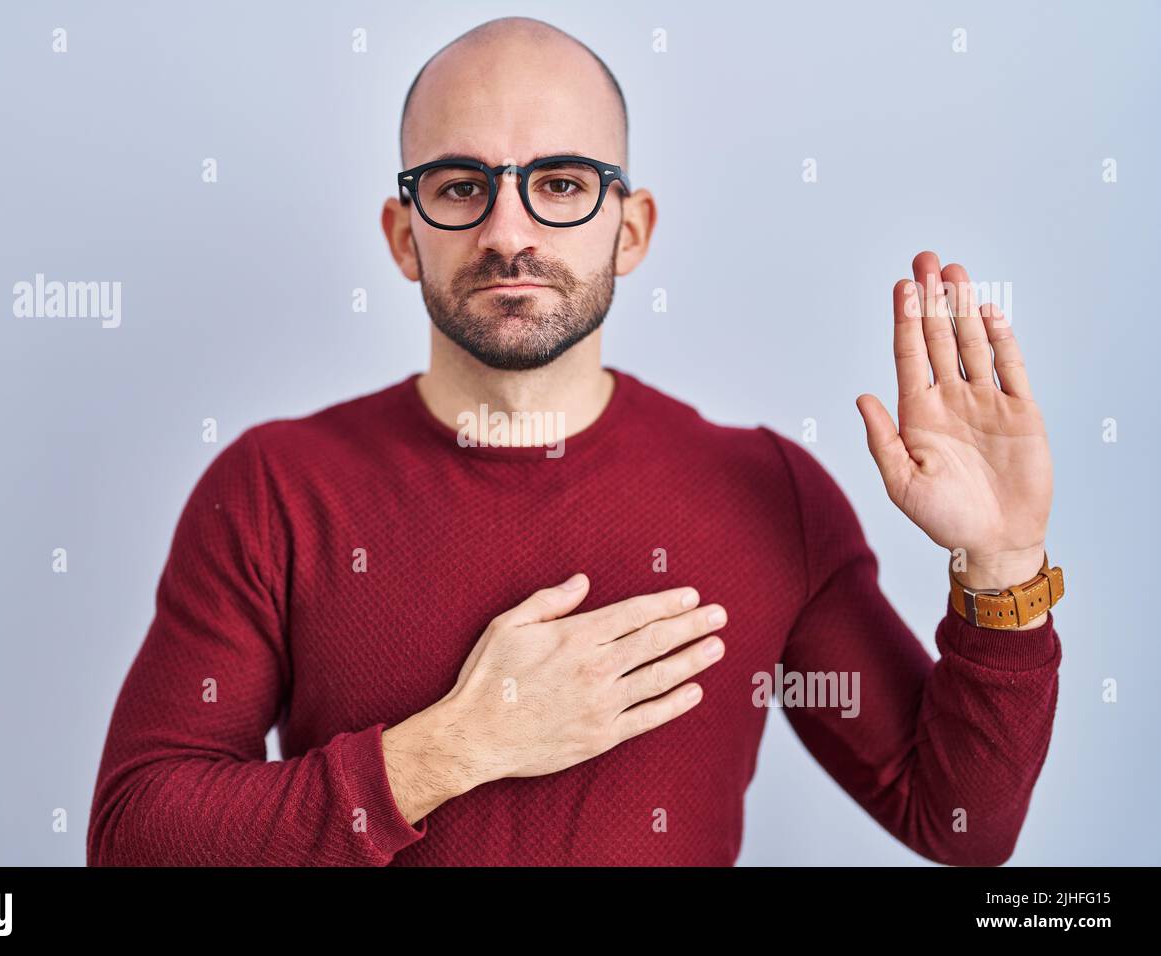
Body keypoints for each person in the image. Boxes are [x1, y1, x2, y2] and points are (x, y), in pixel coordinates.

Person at [87, 16, 1063, 866]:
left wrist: (1004, 564)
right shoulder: (274, 487)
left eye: (559, 182)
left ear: (630, 229)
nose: (510, 231)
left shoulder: (768, 491)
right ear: (400, 233)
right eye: (461, 185)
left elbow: (958, 822)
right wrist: (454, 744)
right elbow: (132, 838)